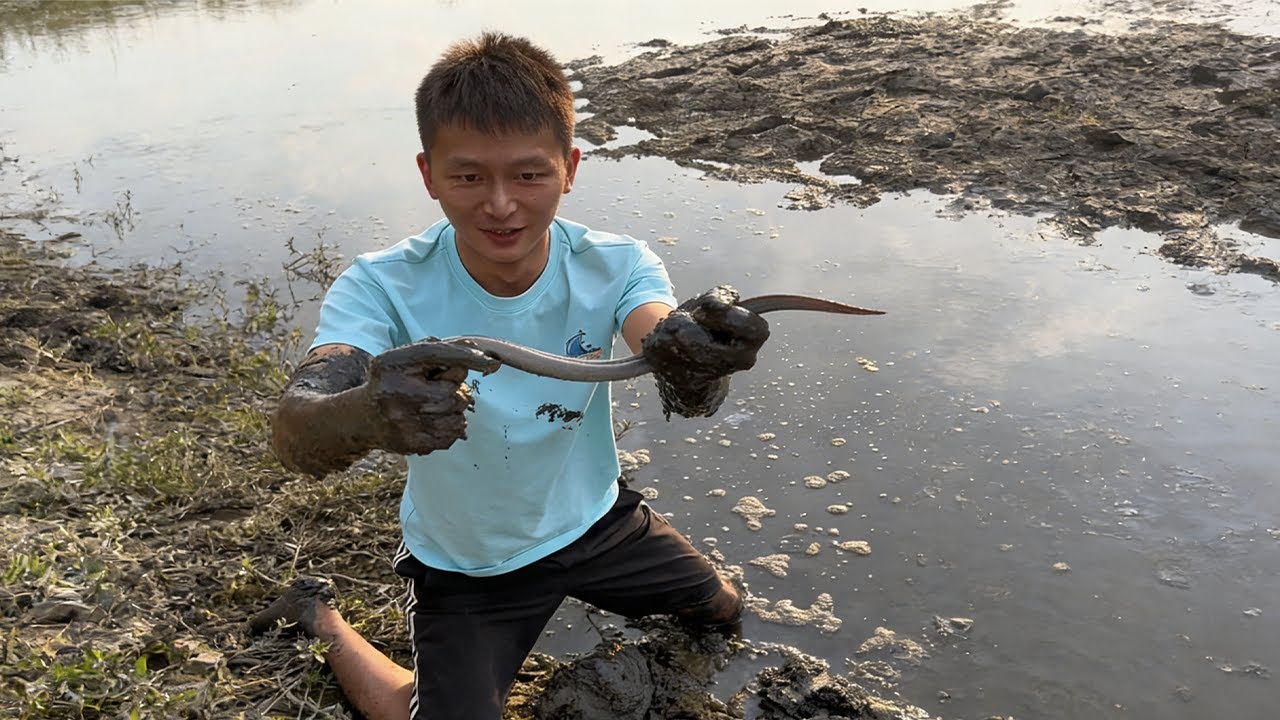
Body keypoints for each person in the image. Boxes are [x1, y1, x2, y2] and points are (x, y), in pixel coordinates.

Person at [252, 32, 770, 720]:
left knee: (722, 611)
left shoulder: (616, 264)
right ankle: (319, 616)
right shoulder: (380, 285)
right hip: (470, 563)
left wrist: (698, 360)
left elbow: (672, 363)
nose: (500, 205)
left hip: (594, 522)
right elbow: (297, 431)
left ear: (570, 168)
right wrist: (367, 413)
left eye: (529, 175)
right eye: (468, 177)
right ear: (428, 173)